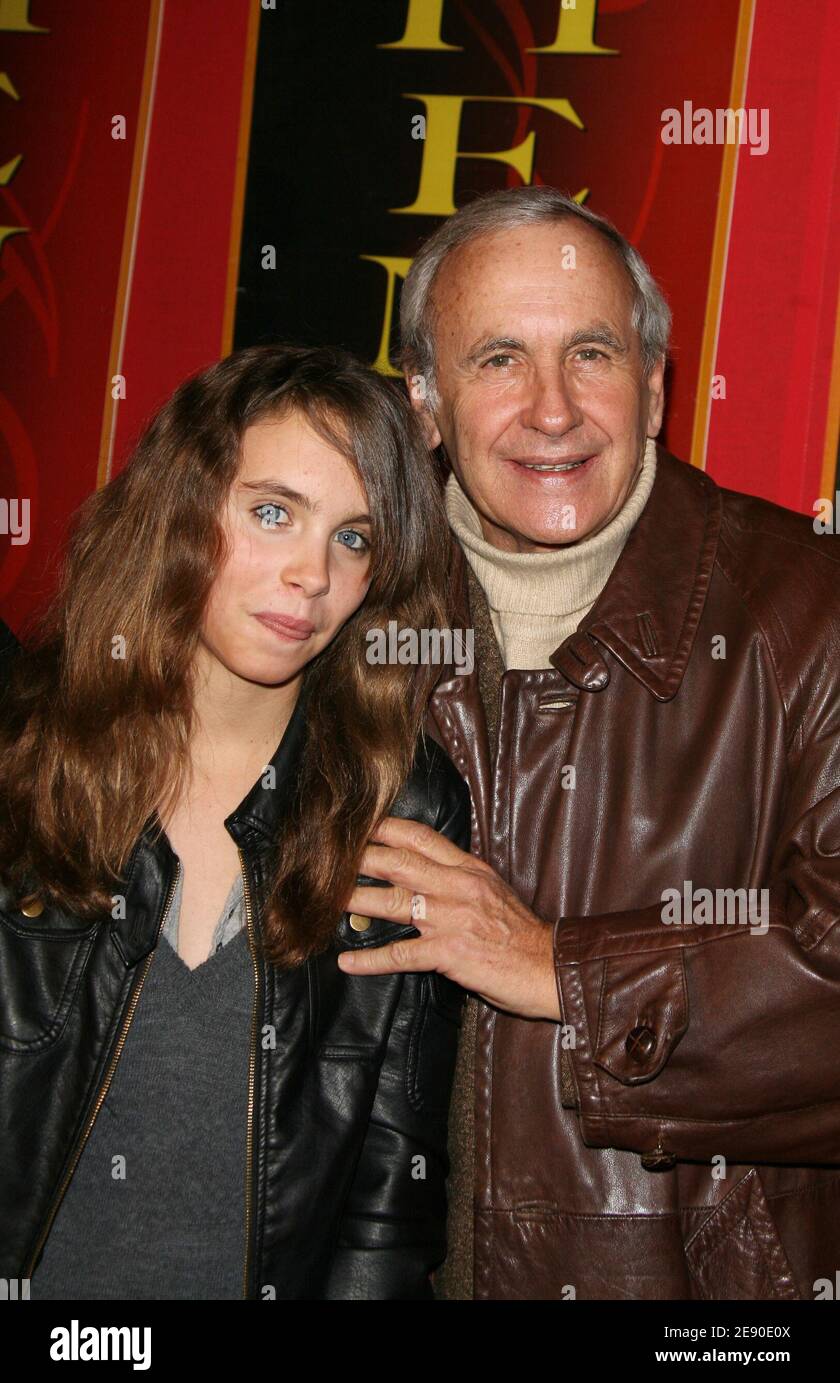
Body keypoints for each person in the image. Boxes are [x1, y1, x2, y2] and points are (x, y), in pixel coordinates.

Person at [337, 186, 840, 1300]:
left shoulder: (811, 612)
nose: (553, 410)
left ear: (656, 389)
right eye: (500, 358)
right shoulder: (334, 608)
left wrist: (566, 970)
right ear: (423, 400)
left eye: (594, 354)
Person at [0, 343, 471, 1300]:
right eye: (272, 514)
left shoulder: (403, 799)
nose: (312, 574)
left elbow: (390, 1193)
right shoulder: (24, 748)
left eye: (355, 538)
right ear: (180, 510)